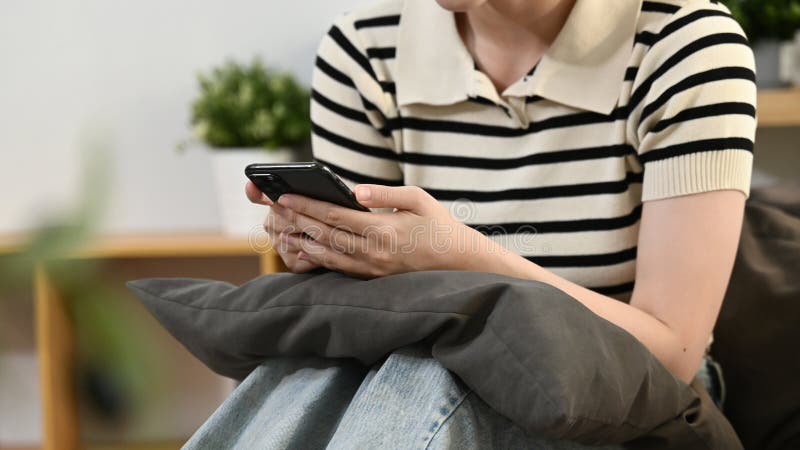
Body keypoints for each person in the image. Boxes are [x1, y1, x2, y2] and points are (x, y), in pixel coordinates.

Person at [189, 0, 754, 447]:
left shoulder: (685, 45)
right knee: (302, 374)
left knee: (434, 374)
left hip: (630, 393)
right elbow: (368, 303)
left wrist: (464, 258)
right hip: (421, 362)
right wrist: (329, 249)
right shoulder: (366, 48)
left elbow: (674, 353)